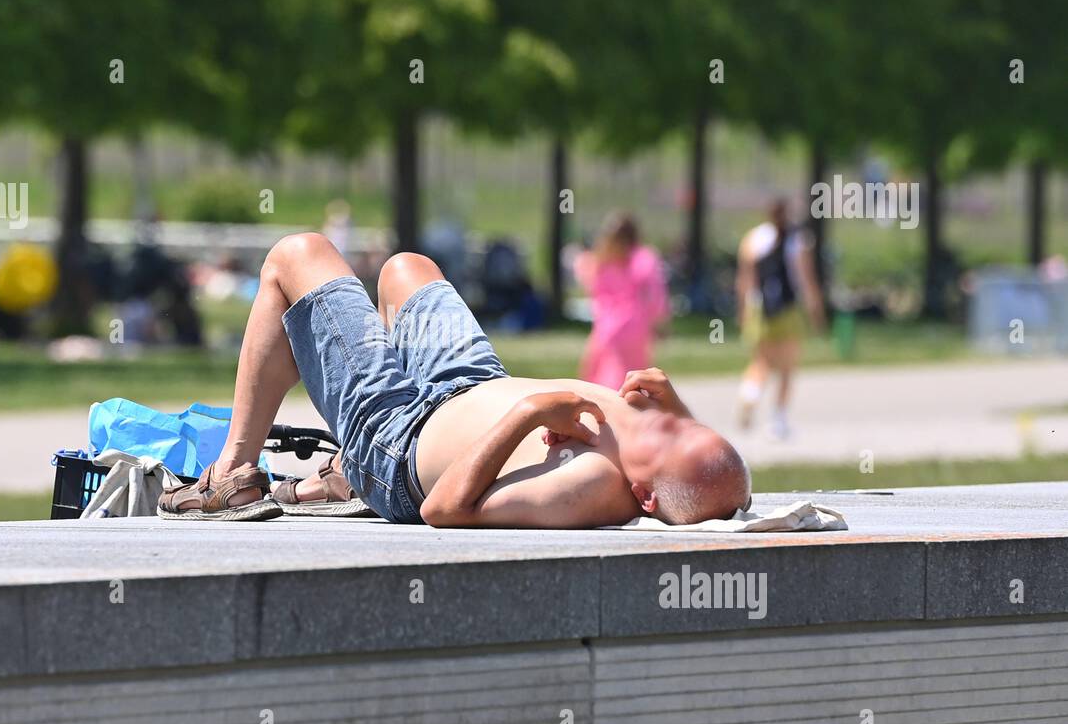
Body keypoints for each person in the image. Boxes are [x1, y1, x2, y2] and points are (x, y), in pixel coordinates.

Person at [158, 233, 749, 528]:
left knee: (294, 255)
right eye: (688, 425)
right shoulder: (658, 459)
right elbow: (711, 483)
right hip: (465, 382)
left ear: (644, 497)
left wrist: (530, 413)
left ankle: (234, 475)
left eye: (671, 436)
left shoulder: (591, 485)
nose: (667, 423)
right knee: (403, 271)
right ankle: (335, 473)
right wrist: (678, 412)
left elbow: (445, 509)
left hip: (397, 440)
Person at [735, 198, 826, 439]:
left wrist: (743, 311)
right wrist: (817, 312)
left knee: (761, 362)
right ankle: (778, 420)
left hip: (760, 309)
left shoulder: (753, 238)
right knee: (787, 368)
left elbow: (745, 281)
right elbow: (806, 282)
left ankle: (749, 395)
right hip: (787, 310)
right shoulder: (798, 240)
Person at [574, 212, 670, 389]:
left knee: (600, 377)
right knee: (631, 379)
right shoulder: (644, 258)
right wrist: (658, 322)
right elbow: (655, 296)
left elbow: (591, 285)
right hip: (635, 326)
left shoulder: (602, 260)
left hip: (607, 327)